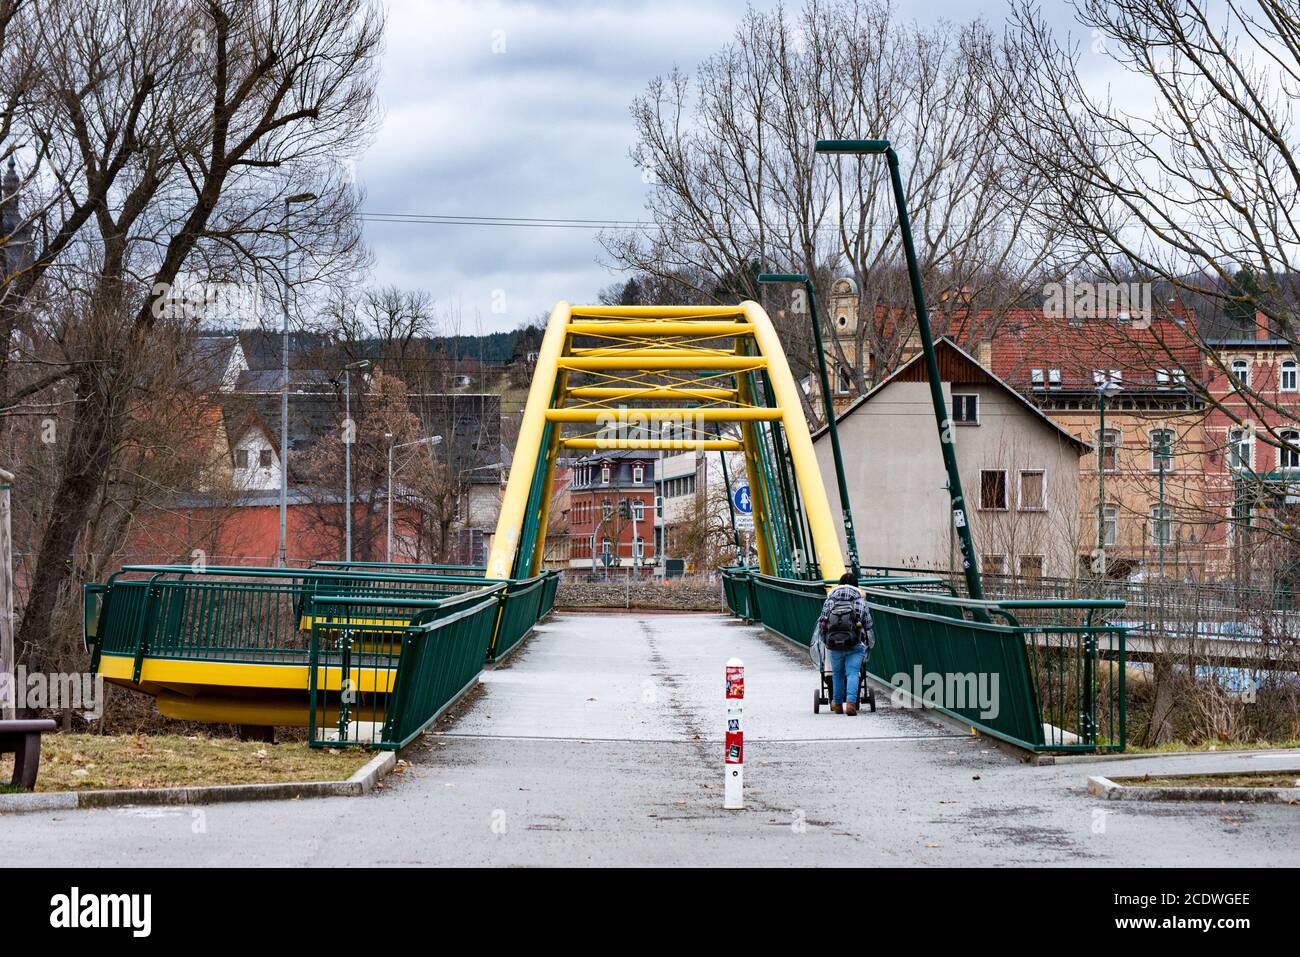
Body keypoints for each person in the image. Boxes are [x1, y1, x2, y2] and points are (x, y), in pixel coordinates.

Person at [813, 571, 873, 715]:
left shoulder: (830, 600)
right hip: (855, 643)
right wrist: (870, 642)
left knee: (837, 674)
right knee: (853, 673)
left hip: (834, 645)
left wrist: (825, 641)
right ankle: (851, 703)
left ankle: (838, 704)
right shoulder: (860, 601)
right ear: (856, 586)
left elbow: (822, 623)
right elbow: (868, 624)